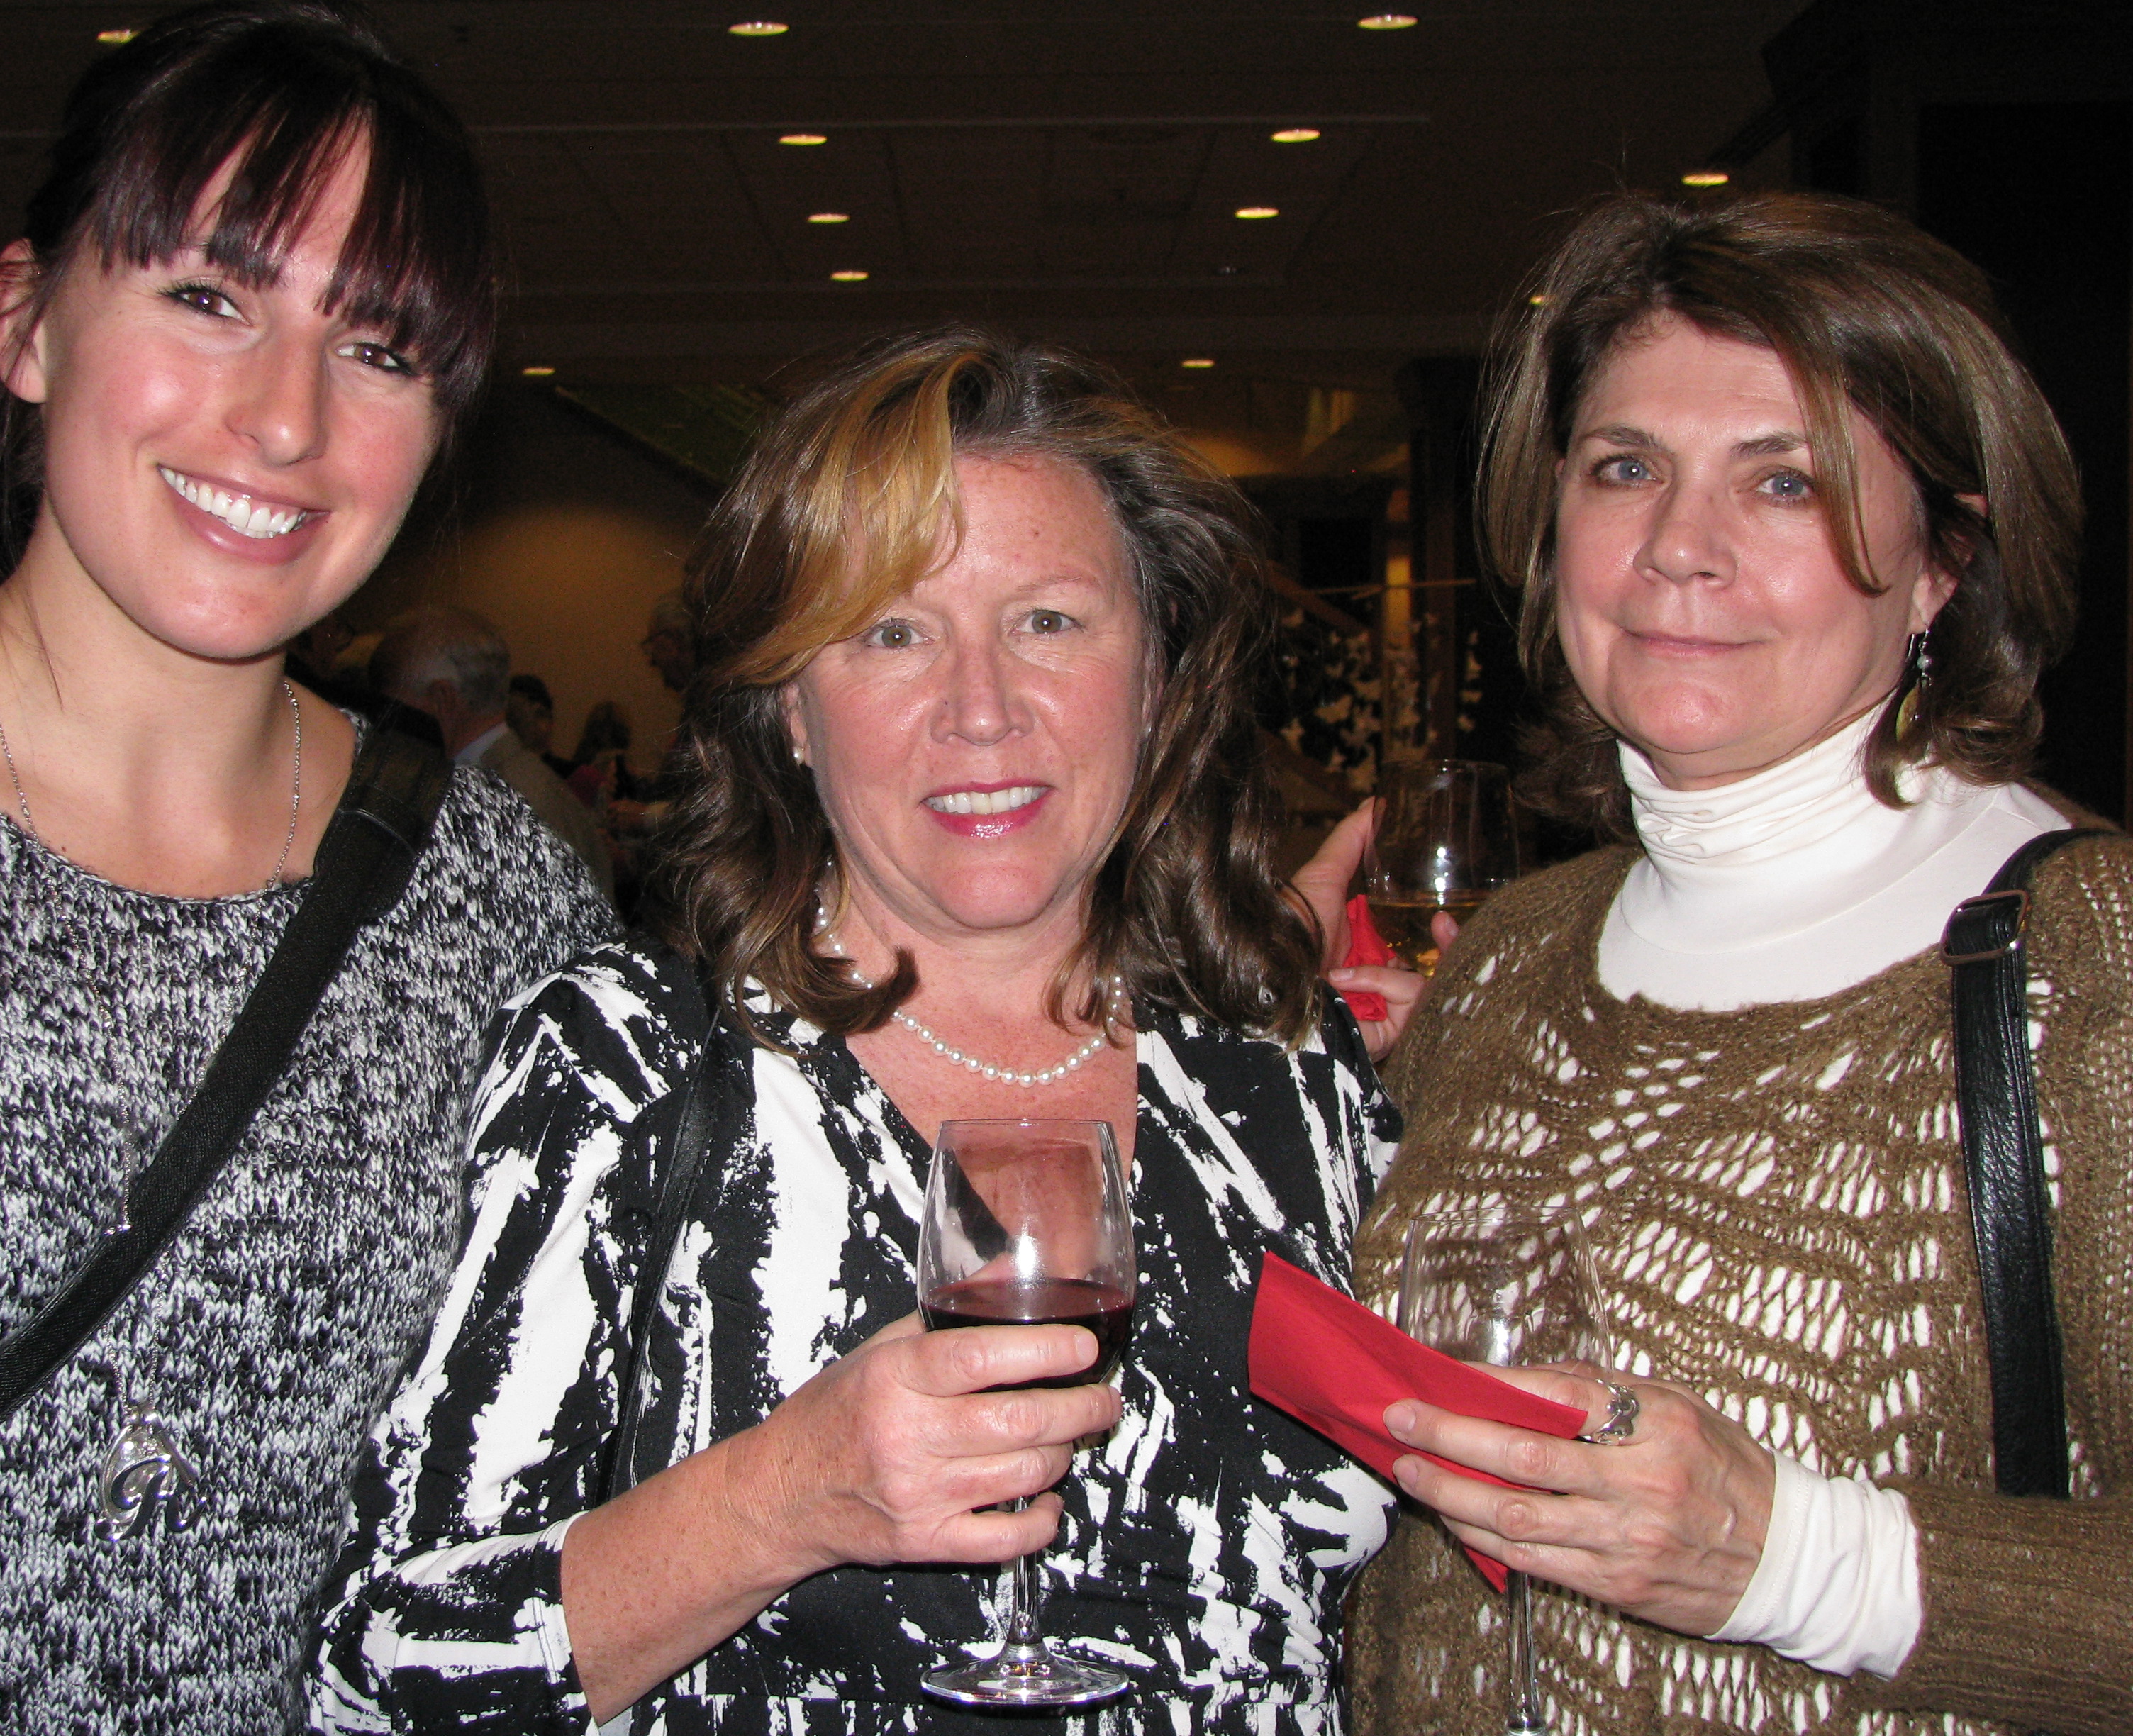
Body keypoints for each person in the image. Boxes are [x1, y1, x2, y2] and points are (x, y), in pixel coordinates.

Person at [311, 329, 1403, 1732]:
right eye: (890, 631)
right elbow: (382, 1679)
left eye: (1051, 621)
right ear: (789, 716)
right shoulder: (631, 1072)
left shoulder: (1287, 1076)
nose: (982, 709)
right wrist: (784, 1498)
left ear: (1160, 675)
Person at [0, 6, 611, 1730]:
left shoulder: (503, 909)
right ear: (27, 322)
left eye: (382, 349)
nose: (283, 421)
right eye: (208, 297)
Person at [1344, 191, 2132, 1736]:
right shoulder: (1515, 956)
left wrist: (1788, 1557)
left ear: (1942, 565)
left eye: (1786, 484)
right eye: (1625, 468)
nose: (1677, 552)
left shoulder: (2090, 964)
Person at [372, 603, 613, 888]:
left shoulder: (502, 800)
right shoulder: (523, 780)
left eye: (392, 705)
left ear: (442, 699)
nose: (383, 722)